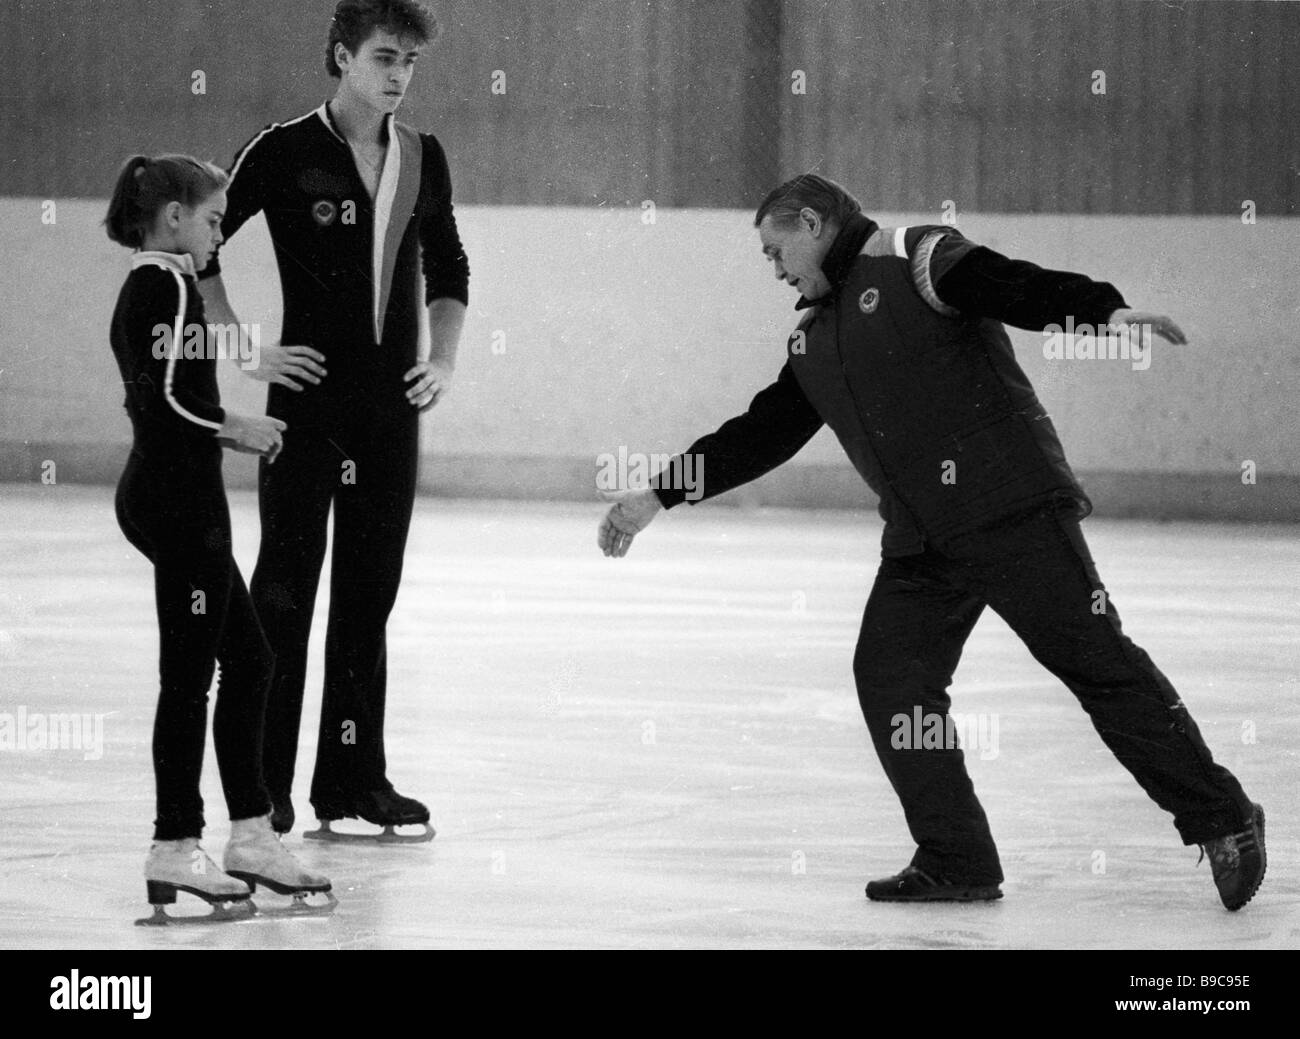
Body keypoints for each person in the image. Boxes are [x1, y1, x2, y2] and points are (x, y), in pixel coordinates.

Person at [597, 173, 1265, 910]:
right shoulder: (813, 334)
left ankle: (1224, 819)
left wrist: (1100, 308)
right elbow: (761, 433)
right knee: (892, 680)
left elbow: (1005, 283)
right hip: (922, 543)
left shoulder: (912, 254)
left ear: (814, 222)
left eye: (775, 249)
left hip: (1009, 508)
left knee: (1099, 667)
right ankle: (956, 855)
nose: (775, 268)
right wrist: (658, 492)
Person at [198, 0, 469, 841]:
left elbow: (451, 265)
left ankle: (353, 779)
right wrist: (246, 349)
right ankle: (265, 787)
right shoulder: (281, 150)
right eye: (385, 58)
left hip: (391, 410)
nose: (398, 76)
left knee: (368, 595)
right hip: (307, 408)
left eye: (410, 64)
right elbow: (198, 248)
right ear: (342, 56)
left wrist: (446, 358)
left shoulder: (422, 157)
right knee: (284, 592)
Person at [105, 154, 331, 922]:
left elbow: (164, 394)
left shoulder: (156, 282)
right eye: (210, 218)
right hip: (177, 502)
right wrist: (236, 426)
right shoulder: (162, 283)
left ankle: (251, 834)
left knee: (251, 657)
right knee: (190, 676)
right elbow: (162, 398)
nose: (217, 232)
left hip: (180, 499)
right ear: (173, 217)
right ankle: (175, 845)